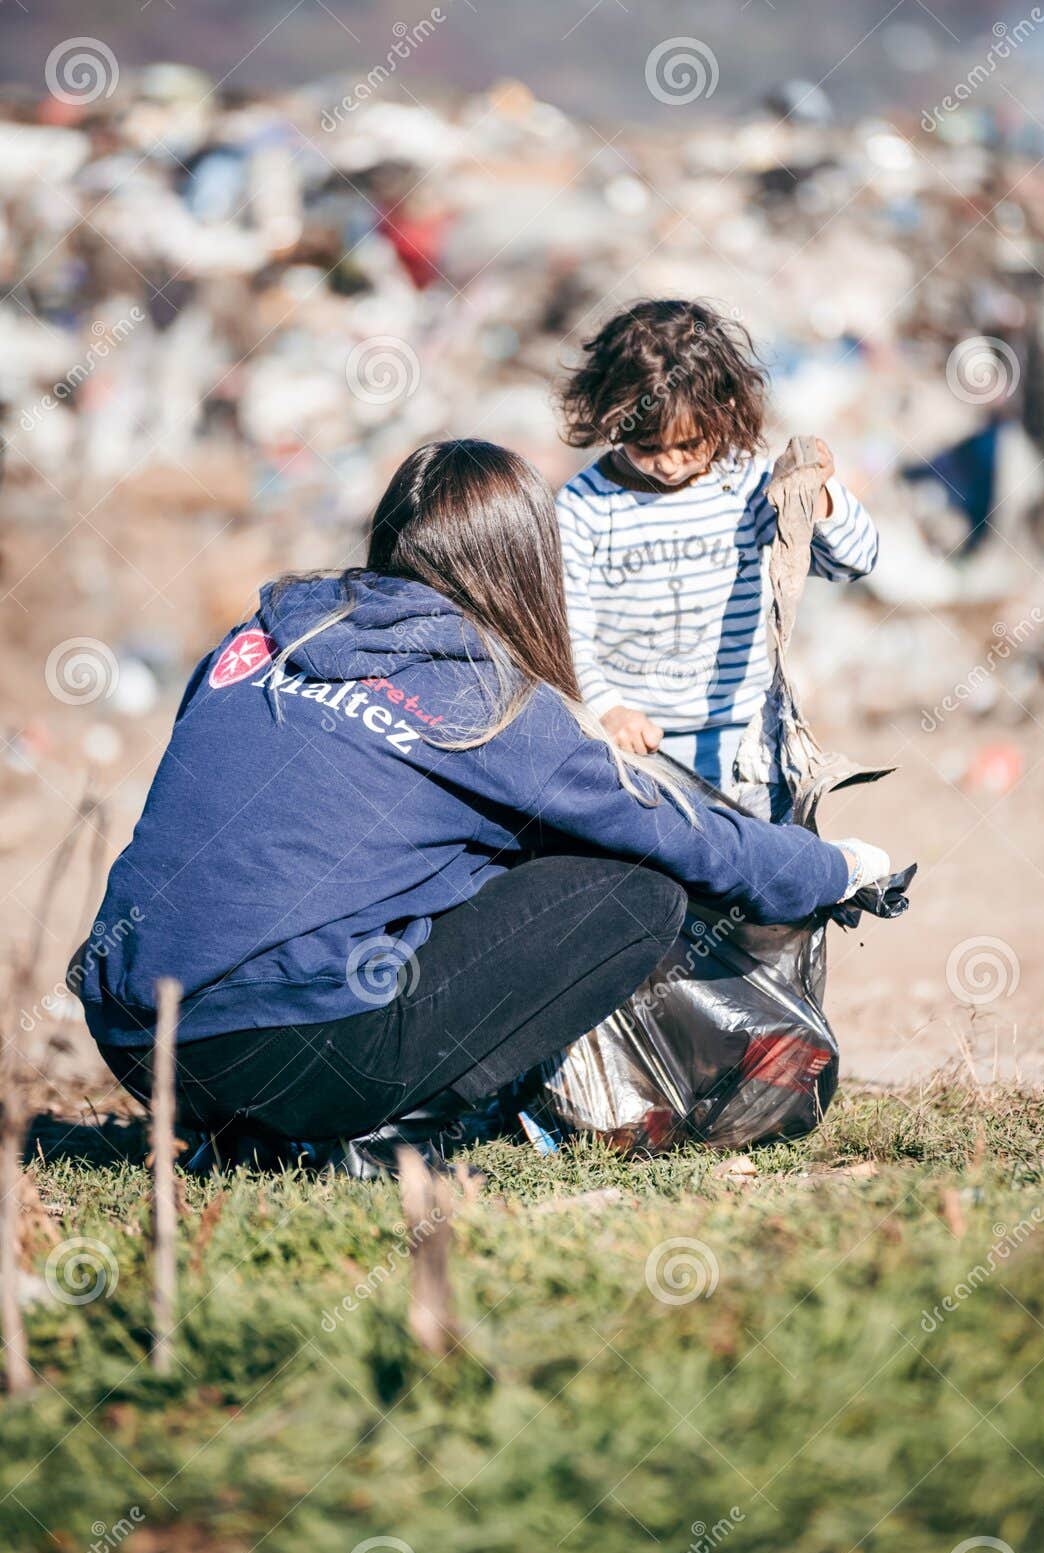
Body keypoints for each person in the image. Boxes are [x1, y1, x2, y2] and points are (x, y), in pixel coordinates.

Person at [78, 440, 888, 1174]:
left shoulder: (258, 640)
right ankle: (387, 1136)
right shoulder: (483, 700)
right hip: (292, 1052)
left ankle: (254, 1131)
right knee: (635, 895)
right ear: (524, 563)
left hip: (132, 1036)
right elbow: (677, 836)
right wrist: (835, 867)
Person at [556, 299, 879, 801]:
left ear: (725, 414)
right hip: (634, 750)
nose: (668, 465)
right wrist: (606, 709)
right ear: (611, 418)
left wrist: (818, 497)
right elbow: (565, 628)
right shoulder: (584, 506)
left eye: (690, 445)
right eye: (647, 447)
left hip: (747, 746)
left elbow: (853, 562)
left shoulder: (749, 486)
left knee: (754, 870)